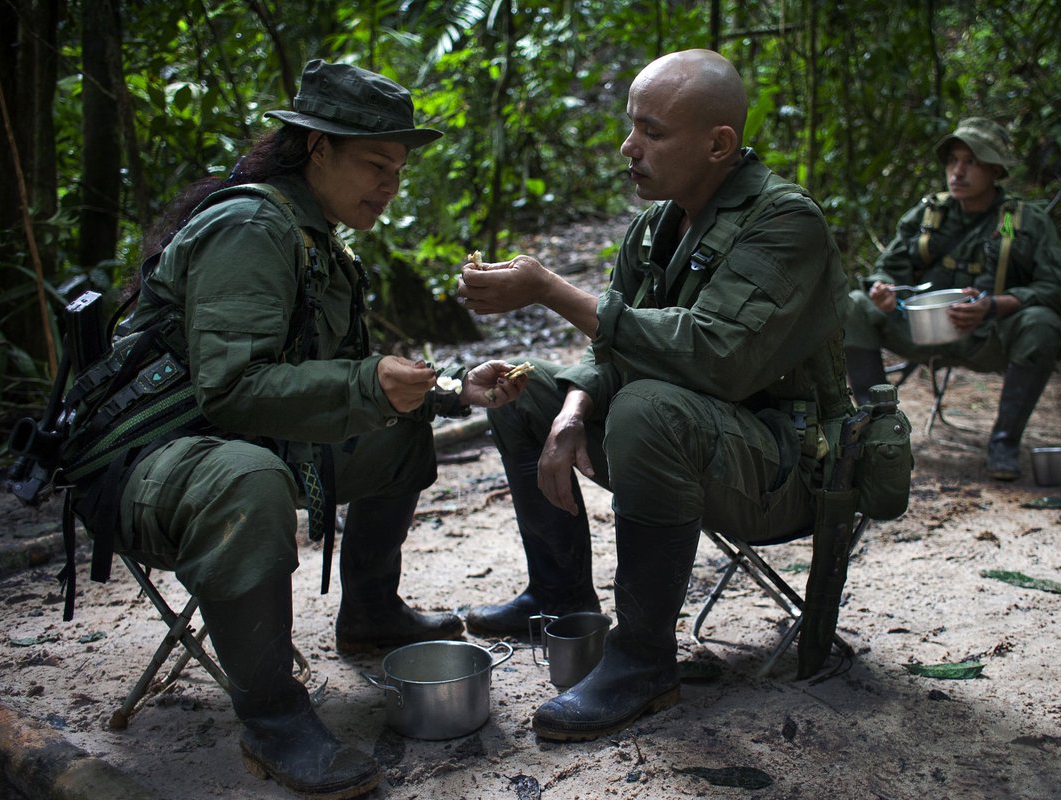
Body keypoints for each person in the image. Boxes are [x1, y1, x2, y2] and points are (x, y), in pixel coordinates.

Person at [73, 60, 527, 798]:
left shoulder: (315, 233)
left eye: (399, 169)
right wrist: (367, 383)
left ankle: (372, 614)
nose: (389, 184)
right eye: (375, 164)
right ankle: (275, 717)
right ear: (318, 148)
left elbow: (335, 380)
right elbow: (233, 389)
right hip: (143, 462)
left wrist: (447, 389)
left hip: (226, 438)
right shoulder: (253, 226)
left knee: (397, 427)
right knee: (247, 480)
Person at [456, 49, 854, 741]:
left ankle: (643, 661)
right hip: (694, 449)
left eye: (652, 132)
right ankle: (559, 598)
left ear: (718, 144)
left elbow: (715, 358)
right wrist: (571, 411)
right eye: (629, 127)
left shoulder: (786, 223)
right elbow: (617, 347)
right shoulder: (655, 226)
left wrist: (551, 289)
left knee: (646, 408)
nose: (628, 147)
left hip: (788, 471)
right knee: (523, 388)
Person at [843, 117, 1061, 480]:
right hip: (920, 332)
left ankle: (1004, 445)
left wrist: (994, 306)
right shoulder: (927, 215)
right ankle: (878, 435)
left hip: (986, 337)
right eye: (953, 160)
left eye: (972, 161)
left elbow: (1058, 291)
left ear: (996, 170)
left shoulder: (1022, 222)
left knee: (1042, 325)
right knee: (854, 304)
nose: (958, 171)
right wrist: (884, 291)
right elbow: (887, 270)